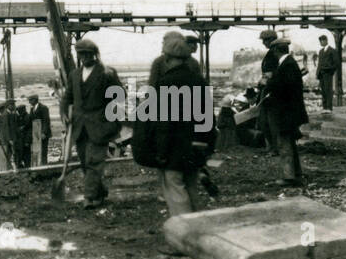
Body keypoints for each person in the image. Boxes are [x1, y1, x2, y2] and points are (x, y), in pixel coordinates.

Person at [133, 31, 215, 215]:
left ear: (168, 58)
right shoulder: (199, 82)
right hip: (195, 145)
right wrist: (206, 147)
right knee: (192, 187)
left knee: (175, 190)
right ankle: (199, 229)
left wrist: (160, 152)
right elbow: (207, 117)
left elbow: (162, 124)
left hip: (172, 149)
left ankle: (184, 234)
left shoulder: (163, 84)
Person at [61, 37, 124, 207]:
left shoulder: (106, 73)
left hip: (100, 126)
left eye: (88, 54)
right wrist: (64, 113)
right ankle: (99, 192)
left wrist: (110, 118)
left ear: (95, 54)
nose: (84, 57)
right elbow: (67, 97)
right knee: (84, 161)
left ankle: (89, 197)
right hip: (79, 127)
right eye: (81, 54)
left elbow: (120, 95)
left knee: (94, 162)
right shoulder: (74, 74)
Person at [263, 36, 308, 187]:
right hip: (290, 111)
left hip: (286, 112)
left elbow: (283, 88)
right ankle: (296, 174)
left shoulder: (287, 65)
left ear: (276, 50)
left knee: (284, 144)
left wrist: (268, 83)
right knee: (289, 143)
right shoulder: (289, 63)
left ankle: (288, 177)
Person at [256, 29, 281, 154]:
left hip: (270, 90)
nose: (263, 43)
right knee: (266, 120)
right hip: (267, 88)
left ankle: (274, 147)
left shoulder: (273, 54)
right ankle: (272, 146)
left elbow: (272, 73)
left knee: (269, 120)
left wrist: (264, 82)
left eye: (265, 40)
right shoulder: (272, 53)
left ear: (271, 40)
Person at [316, 34, 339, 110]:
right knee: (323, 91)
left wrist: (330, 71)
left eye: (322, 41)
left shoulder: (332, 51)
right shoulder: (320, 51)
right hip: (321, 74)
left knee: (328, 91)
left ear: (326, 40)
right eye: (320, 41)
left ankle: (329, 108)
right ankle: (324, 107)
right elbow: (319, 63)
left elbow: (336, 63)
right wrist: (317, 73)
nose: (321, 42)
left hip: (328, 74)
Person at [28, 94, 51, 166]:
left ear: (35, 99)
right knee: (37, 149)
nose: (29, 102)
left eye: (30, 100)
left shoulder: (44, 108)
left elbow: (46, 121)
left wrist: (44, 132)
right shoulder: (32, 109)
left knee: (44, 149)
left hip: (43, 133)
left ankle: (44, 164)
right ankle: (38, 164)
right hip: (36, 133)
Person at [16, 104, 32, 169]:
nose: (19, 112)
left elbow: (28, 129)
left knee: (26, 157)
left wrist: (27, 141)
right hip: (21, 141)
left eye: (19, 111)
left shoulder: (27, 117)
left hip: (25, 140)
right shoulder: (21, 116)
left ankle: (27, 169)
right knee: (21, 156)